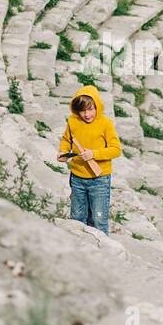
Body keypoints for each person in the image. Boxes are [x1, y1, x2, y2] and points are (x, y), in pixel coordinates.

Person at [56, 85, 121, 234]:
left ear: (97, 106)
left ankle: (101, 251)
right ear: (76, 109)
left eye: (91, 109)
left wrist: (94, 154)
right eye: (83, 110)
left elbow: (116, 149)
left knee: (98, 220)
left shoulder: (105, 124)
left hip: (99, 179)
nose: (87, 114)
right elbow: (67, 139)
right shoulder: (73, 121)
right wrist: (64, 151)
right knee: (77, 217)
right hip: (77, 178)